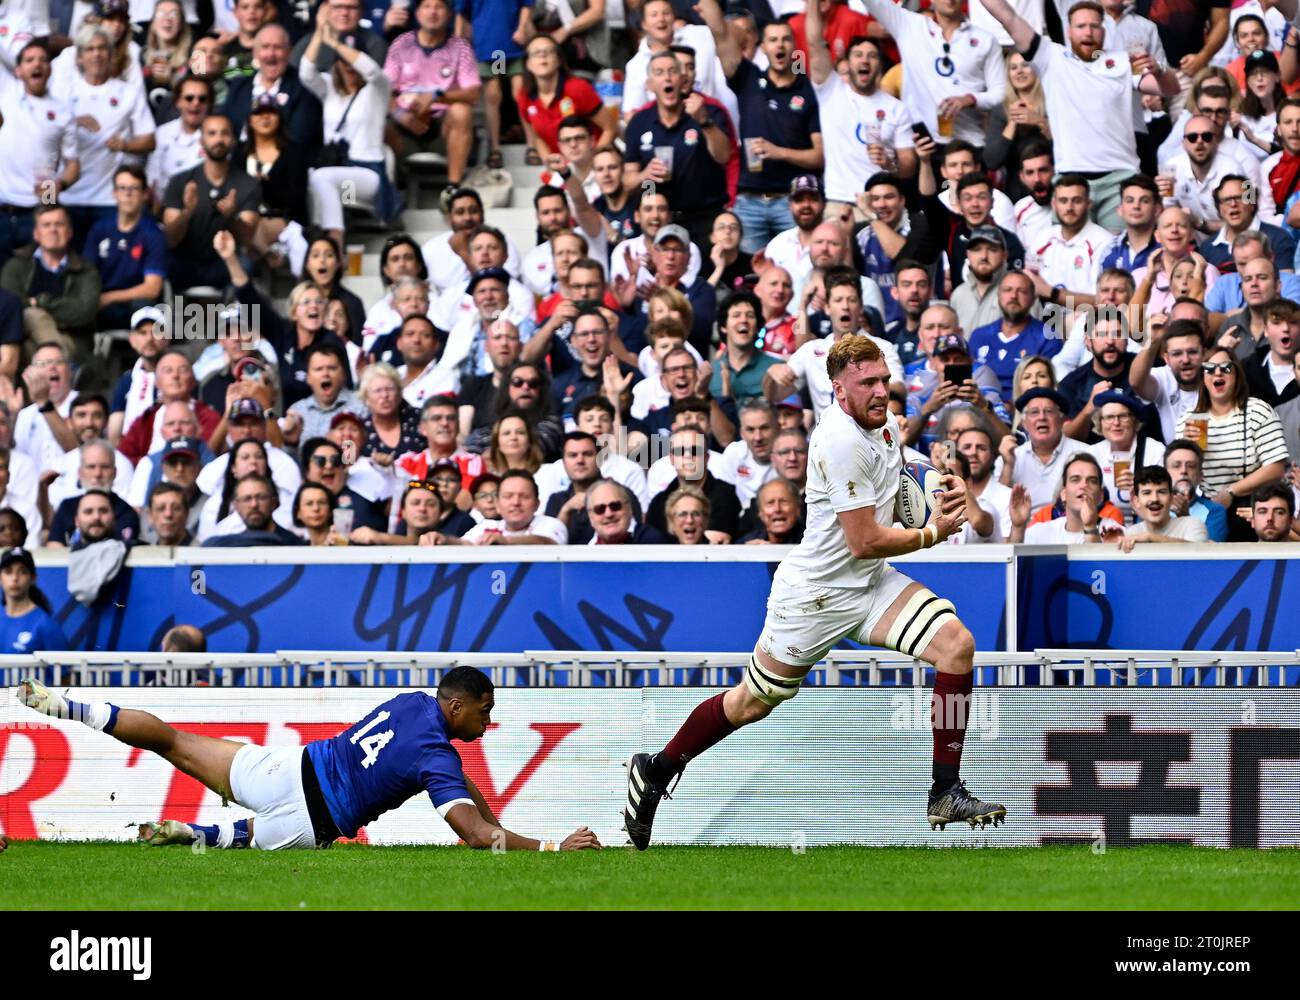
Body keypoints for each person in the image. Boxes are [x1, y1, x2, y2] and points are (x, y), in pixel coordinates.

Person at [622, 335, 1002, 852]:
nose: (879, 390)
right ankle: (657, 768)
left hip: (868, 585)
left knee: (956, 645)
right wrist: (935, 530)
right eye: (866, 382)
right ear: (838, 390)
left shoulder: (883, 422)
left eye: (883, 379)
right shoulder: (837, 441)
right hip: (815, 596)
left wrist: (940, 483)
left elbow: (901, 473)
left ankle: (944, 790)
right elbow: (865, 539)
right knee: (752, 702)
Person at [16, 667, 602, 851]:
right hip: (312, 820)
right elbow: (475, 836)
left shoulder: (412, 703)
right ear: (455, 706)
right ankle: (192, 832)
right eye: (483, 710)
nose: (488, 719)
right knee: (239, 843)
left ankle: (68, 703)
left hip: (287, 768)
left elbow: (455, 780)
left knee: (171, 740)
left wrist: (488, 815)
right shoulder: (438, 753)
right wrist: (549, 847)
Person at [300, 12, 400, 244]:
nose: (349, 67)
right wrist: (319, 34)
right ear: (336, 63)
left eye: (353, 60)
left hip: (366, 179)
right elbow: (305, 73)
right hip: (341, 181)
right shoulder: (329, 89)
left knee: (320, 178)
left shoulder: (377, 90)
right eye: (343, 61)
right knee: (308, 177)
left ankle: (333, 240)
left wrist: (336, 43)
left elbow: (373, 71)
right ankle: (314, 240)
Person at [806, 2, 915, 212]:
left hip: (882, 205)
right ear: (846, 63)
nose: (864, 60)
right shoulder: (831, 91)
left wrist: (889, 164)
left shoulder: (896, 108)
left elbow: (909, 166)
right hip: (839, 202)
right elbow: (814, 43)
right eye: (858, 55)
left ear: (880, 65)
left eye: (872, 56)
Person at [622, 50, 733, 251]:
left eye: (673, 71)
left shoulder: (709, 111)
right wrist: (644, 176)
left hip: (705, 217)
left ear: (682, 80)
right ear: (649, 85)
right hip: (660, 220)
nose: (667, 77)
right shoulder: (639, 122)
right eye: (659, 72)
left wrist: (704, 122)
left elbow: (724, 156)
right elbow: (628, 182)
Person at [859, 0, 1004, 150]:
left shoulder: (986, 40)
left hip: (969, 144)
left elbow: (1000, 94)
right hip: (921, 143)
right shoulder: (908, 25)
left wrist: (970, 99)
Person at [1176, 344, 1289, 508]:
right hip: (1207, 507)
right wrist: (1187, 449)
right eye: (1210, 368)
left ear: (1237, 374)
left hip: (1255, 506)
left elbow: (1276, 468)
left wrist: (1231, 491)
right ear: (1203, 377)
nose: (1218, 372)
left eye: (1226, 367)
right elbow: (1180, 473)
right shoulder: (1190, 419)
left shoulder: (1258, 411)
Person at [0, 40, 81, 265]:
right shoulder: (5, 97)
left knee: (37, 277)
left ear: (50, 69)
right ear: (18, 70)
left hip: (40, 209)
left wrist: (59, 186)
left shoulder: (63, 112)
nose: (37, 64)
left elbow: (73, 165)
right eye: (29, 60)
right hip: (2, 207)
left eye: (43, 60)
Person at [384, 0, 478, 190]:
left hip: (441, 127)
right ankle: (389, 193)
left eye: (439, 7)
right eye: (427, 6)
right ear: (417, 13)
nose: (433, 12)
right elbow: (383, 91)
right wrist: (402, 116)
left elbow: (474, 92)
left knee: (462, 111)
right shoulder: (401, 44)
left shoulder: (460, 47)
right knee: (372, 119)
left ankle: (453, 188)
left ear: (449, 14)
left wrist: (437, 96)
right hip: (403, 128)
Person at [161, 114, 261, 290]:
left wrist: (231, 216)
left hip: (224, 262)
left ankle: (232, 317)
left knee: (245, 265)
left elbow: (246, 239)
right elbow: (170, 239)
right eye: (212, 133)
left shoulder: (248, 184)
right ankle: (173, 316)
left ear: (233, 140)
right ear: (201, 140)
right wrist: (187, 212)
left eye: (225, 133)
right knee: (161, 261)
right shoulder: (181, 181)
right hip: (185, 262)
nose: (219, 139)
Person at [0, 204, 102, 356]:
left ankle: (54, 361)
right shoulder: (15, 265)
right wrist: (57, 311)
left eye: (59, 224)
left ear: (69, 232)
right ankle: (60, 365)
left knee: (32, 348)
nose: (53, 230)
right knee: (32, 319)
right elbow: (10, 307)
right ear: (36, 233)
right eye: (46, 225)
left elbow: (84, 312)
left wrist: (40, 302)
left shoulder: (86, 270)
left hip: (72, 339)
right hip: (23, 336)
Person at [85, 166, 166, 331]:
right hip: (101, 303)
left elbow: (152, 289)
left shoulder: (153, 233)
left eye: (134, 188)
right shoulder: (100, 229)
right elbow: (87, 273)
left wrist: (109, 297)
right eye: (122, 188)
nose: (128, 194)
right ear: (114, 193)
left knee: (144, 306)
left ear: (145, 194)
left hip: (134, 303)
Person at [222, 24, 323, 155]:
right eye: (265, 47)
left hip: (285, 165)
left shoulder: (303, 88)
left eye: (278, 47)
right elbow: (226, 128)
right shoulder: (239, 86)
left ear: (289, 52)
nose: (271, 54)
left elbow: (300, 137)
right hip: (238, 164)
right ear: (255, 53)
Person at [967, 270, 1063, 402]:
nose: (1013, 296)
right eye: (1007, 290)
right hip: (980, 408)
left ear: (1033, 298)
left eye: (1022, 291)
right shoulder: (979, 335)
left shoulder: (1047, 337)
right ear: (998, 295)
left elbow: (1047, 386)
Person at [516, 35, 615, 161]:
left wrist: (595, 163)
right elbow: (537, 137)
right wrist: (550, 163)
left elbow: (609, 128)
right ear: (528, 64)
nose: (543, 56)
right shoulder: (524, 97)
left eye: (549, 51)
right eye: (536, 53)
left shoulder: (578, 88)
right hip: (562, 170)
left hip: (591, 165)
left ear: (558, 60)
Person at [998, 386, 1088, 513]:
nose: (1042, 417)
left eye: (1049, 411)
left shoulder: (1086, 454)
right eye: (1034, 412)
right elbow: (997, 509)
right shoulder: (1009, 457)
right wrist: (1008, 466)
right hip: (1022, 529)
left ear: (1062, 419)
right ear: (1024, 423)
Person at [1009, 452, 1125, 543]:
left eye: (1092, 481)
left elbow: (1096, 571)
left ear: (1101, 496)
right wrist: (1018, 527)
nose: (1084, 485)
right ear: (1063, 494)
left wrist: (1090, 527)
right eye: (1075, 479)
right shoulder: (1042, 532)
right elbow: (1013, 567)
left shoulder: (1115, 532)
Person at [1116, 465, 1211, 549]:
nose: (1154, 499)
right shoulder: (1131, 534)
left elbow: (1198, 553)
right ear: (1136, 501)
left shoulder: (1192, 524)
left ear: (1171, 498)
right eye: (1147, 493)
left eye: (1161, 492)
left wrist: (1150, 538)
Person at [1, 547, 68, 653]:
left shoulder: (45, 625)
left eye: (23, 571)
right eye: (8, 571)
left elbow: (62, 668)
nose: (14, 578)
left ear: (33, 578)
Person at [1164, 437, 1230, 541]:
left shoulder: (1215, 511)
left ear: (1200, 476)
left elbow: (1208, 553)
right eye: (1176, 466)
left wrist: (1185, 517)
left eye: (1191, 466)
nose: (1184, 471)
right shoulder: (1152, 507)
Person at [587, 478, 666, 545]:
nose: (608, 514)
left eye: (615, 506)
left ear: (629, 509)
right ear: (590, 517)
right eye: (600, 509)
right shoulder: (582, 546)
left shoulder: (652, 541)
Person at [144, 479, 195, 546]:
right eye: (161, 508)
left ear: (186, 514)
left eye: (176, 508)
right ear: (150, 515)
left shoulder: (203, 553)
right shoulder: (143, 554)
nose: (168, 514)